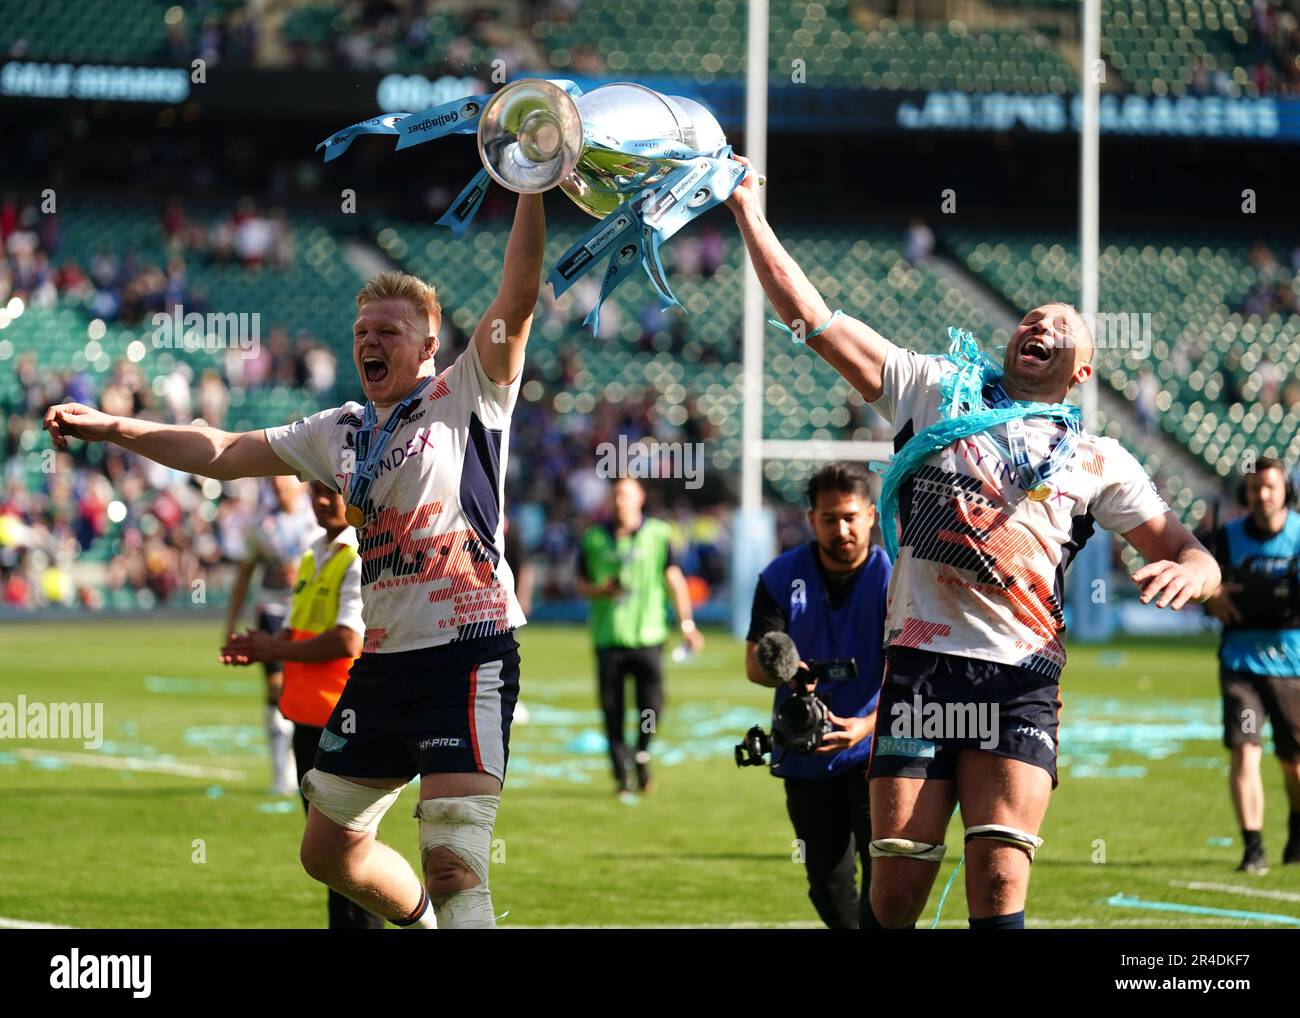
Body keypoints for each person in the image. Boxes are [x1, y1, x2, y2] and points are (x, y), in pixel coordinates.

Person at [723, 155, 1221, 929]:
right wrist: (750, 214)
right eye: (1032, 317)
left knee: (996, 886)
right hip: (921, 672)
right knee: (893, 898)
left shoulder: (1099, 459)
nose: (1040, 325)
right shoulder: (930, 388)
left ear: (1081, 368)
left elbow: (1188, 549)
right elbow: (813, 319)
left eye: (1061, 327)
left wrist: (1195, 569)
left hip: (1018, 678)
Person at [44, 190, 545, 929]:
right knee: (327, 852)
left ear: (429, 345)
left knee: (451, 858)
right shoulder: (338, 430)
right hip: (383, 663)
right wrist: (115, 427)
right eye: (361, 330)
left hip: (467, 653)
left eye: (390, 330)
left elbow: (520, 292)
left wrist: (529, 184)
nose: (370, 340)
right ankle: (425, 922)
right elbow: (219, 452)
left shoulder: (469, 393)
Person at [220, 479, 384, 928]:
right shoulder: (315, 554)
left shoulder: (359, 555)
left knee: (349, 848)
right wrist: (262, 645)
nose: (323, 502)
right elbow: (296, 631)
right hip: (312, 719)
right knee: (328, 855)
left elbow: (347, 638)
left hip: (346, 721)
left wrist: (276, 651)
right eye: (316, 493)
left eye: (333, 493)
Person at [745, 462, 890, 929]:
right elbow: (754, 662)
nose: (842, 528)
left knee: (887, 876)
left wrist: (867, 726)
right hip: (805, 750)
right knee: (826, 882)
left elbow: (918, 673)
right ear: (812, 520)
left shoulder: (898, 579)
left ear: (870, 515)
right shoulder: (779, 576)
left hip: (878, 750)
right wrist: (782, 671)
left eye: (850, 516)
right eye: (829, 518)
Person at [576, 477, 703, 797]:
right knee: (612, 710)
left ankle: (641, 754)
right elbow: (580, 582)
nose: (621, 502)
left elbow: (674, 579)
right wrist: (599, 590)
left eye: (627, 495)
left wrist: (687, 624)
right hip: (609, 637)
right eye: (617, 495)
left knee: (651, 706)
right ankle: (622, 776)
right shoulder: (593, 538)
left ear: (640, 498)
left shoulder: (659, 534)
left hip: (649, 636)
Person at [1203, 457, 1300, 873]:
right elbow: (1195, 577)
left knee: (1293, 763)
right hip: (1240, 664)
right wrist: (1211, 596)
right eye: (1255, 488)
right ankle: (1253, 847)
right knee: (1245, 752)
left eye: (1271, 488)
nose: (1262, 495)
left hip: (1292, 664)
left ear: (1286, 492)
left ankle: (1297, 829)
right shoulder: (1224, 539)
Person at [224, 474, 320, 796]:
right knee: (276, 688)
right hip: (273, 609)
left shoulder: (319, 516)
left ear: (301, 483)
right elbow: (244, 576)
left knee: (310, 686)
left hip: (311, 612)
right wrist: (230, 624)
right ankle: (282, 773)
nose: (280, 489)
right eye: (275, 484)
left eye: (285, 483)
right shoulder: (261, 525)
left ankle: (318, 766)